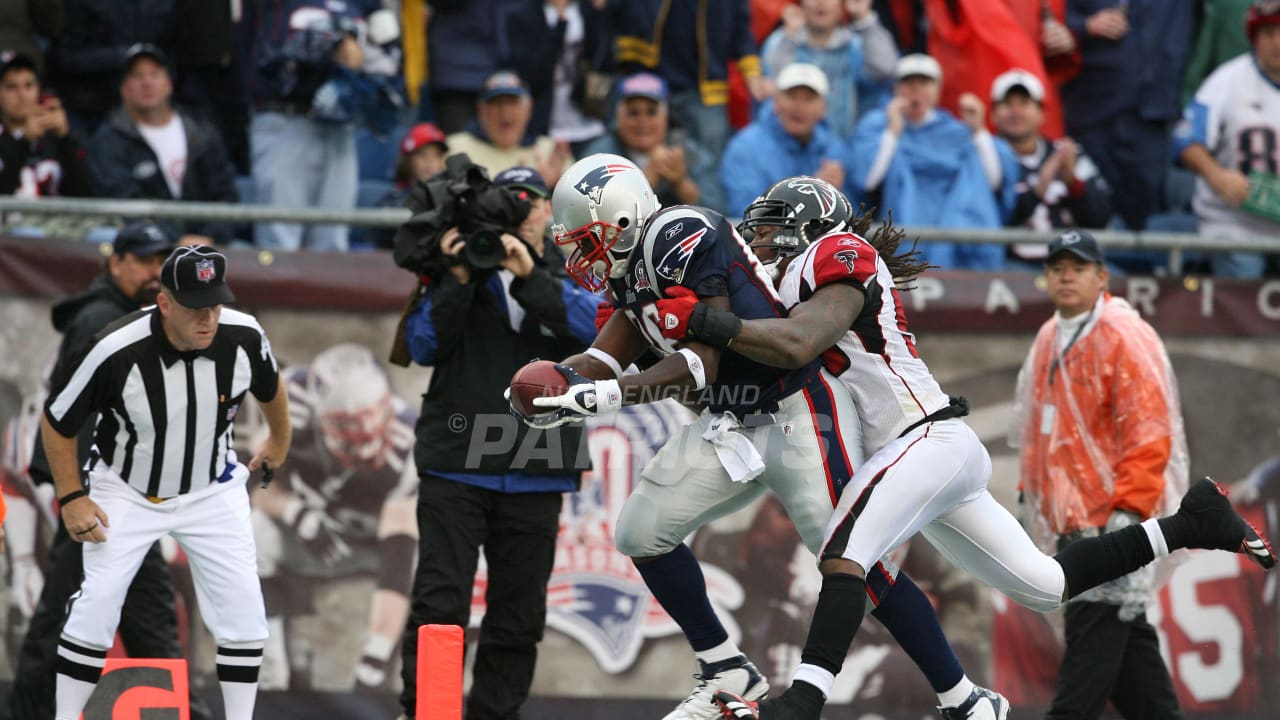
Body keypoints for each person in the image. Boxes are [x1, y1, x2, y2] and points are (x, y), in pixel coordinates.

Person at [635, 176, 1277, 720]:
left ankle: (802, 703)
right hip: (924, 454)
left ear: (811, 226)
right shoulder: (797, 276)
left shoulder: (840, 252)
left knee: (843, 551)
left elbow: (798, 343)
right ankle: (1192, 520)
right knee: (1046, 585)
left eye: (777, 229)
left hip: (925, 440)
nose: (767, 243)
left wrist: (700, 319)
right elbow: (762, 350)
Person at [529, 157, 1007, 720]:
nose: (581, 255)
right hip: (732, 421)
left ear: (625, 217)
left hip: (798, 411)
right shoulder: (630, 268)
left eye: (589, 239)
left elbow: (700, 362)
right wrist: (557, 383)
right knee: (641, 532)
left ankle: (965, 698)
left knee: (856, 564)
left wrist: (608, 397)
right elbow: (607, 355)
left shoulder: (682, 234)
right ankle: (726, 669)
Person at [41, 245, 291, 720]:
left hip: (210, 488)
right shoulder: (115, 348)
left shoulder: (242, 335)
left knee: (244, 613)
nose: (209, 319)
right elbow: (57, 421)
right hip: (127, 488)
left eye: (216, 305)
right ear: (164, 302)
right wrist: (72, 496)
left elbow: (270, 384)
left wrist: (280, 439)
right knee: (96, 606)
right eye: (196, 307)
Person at [395, 165, 598, 719]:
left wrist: (531, 275)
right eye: (508, 200)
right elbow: (422, 344)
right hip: (456, 465)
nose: (520, 210)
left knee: (519, 616)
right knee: (440, 606)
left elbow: (597, 333)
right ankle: (429, 713)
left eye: (531, 200)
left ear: (548, 213)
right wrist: (458, 276)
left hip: (540, 463)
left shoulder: (574, 268)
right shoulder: (455, 266)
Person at [8, 222, 216, 720]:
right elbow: (68, 415)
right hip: (100, 499)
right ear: (116, 261)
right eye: (143, 260)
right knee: (78, 621)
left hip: (115, 496)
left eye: (158, 262)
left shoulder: (123, 315)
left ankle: (180, 710)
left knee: (136, 619)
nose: (151, 272)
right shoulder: (102, 320)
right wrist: (77, 495)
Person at [1010, 228, 1187, 719]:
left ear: (1102, 276)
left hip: (1109, 527)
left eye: (1079, 267)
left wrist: (1130, 512)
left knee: (1082, 682)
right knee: (1139, 681)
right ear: (1045, 277)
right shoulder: (1049, 335)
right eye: (1058, 267)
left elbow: (1149, 430)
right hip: (1071, 527)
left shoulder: (1123, 335)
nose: (1067, 275)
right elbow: (1036, 429)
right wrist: (1029, 496)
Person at [250, 342, 419, 693]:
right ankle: (269, 668)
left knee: (429, 559)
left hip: (369, 545)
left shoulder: (408, 442)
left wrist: (374, 659)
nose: (367, 438)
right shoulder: (291, 406)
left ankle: (383, 672)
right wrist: (299, 516)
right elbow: (257, 486)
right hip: (314, 529)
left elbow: (400, 552)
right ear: (321, 416)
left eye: (373, 417)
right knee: (254, 534)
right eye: (349, 427)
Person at [846, 53, 1017, 271]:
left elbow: (993, 182)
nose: (916, 91)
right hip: (902, 238)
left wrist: (978, 131)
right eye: (908, 83)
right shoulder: (877, 126)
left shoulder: (956, 132)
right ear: (896, 89)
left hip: (955, 246)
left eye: (924, 83)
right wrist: (892, 132)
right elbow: (867, 180)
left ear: (937, 90)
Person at [1061, 0, 1195, 231]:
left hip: (1151, 117)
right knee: (1093, 212)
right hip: (1092, 114)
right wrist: (1086, 25)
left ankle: (1148, 267)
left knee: (1148, 216)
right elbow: (1045, 19)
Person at [87, 44, 239, 245]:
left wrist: (207, 238)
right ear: (124, 88)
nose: (147, 83)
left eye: (154, 74)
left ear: (169, 84)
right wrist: (177, 239)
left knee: (247, 256)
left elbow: (226, 196)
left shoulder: (202, 133)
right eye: (137, 76)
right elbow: (122, 202)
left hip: (207, 244)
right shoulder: (110, 139)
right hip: (142, 246)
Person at [1174, 0, 1280, 278]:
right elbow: (1186, 139)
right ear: (1254, 38)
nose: (1277, 43)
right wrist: (1216, 174)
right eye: (1269, 34)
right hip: (1233, 223)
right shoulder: (1227, 80)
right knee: (1243, 281)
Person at [990, 68, 1111, 269]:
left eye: (1024, 103)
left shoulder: (1070, 154)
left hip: (1072, 266)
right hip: (1011, 266)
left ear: (1042, 114)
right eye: (1008, 104)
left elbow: (1100, 217)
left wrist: (1073, 183)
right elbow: (987, 219)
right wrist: (1039, 187)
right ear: (993, 114)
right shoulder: (985, 159)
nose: (1016, 112)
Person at [580, 72, 724, 212]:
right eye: (633, 113)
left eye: (651, 112)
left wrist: (680, 182)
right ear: (618, 118)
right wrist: (647, 179)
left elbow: (719, 212)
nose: (643, 121)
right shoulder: (600, 157)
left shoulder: (688, 152)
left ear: (666, 118)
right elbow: (586, 210)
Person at [721, 63, 847, 217]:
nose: (799, 106)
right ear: (775, 102)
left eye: (809, 99)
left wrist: (836, 200)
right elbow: (746, 214)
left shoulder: (834, 148)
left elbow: (856, 211)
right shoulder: (745, 147)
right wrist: (810, 198)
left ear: (823, 108)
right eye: (791, 96)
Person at [760, 0, 899, 137]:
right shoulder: (783, 40)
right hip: (795, 146)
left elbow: (885, 70)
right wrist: (789, 40)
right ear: (801, 4)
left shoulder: (854, 45)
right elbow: (774, 87)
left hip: (846, 145)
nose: (821, 3)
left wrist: (864, 19)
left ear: (842, 5)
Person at [443, 69, 573, 190]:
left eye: (513, 103)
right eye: (496, 103)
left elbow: (581, 205)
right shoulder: (454, 149)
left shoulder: (549, 151)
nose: (505, 112)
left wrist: (555, 187)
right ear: (480, 110)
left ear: (529, 109)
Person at [0, 50, 90, 199]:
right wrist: (23, 143)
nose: (22, 94)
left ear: (39, 90)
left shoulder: (57, 136)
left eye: (28, 85)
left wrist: (65, 138)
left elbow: (84, 194)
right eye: (12, 87)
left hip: (60, 221)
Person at [370, 122, 450, 249]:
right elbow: (381, 239)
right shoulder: (393, 200)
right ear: (408, 160)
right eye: (423, 155)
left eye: (437, 155)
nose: (431, 163)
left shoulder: (453, 195)